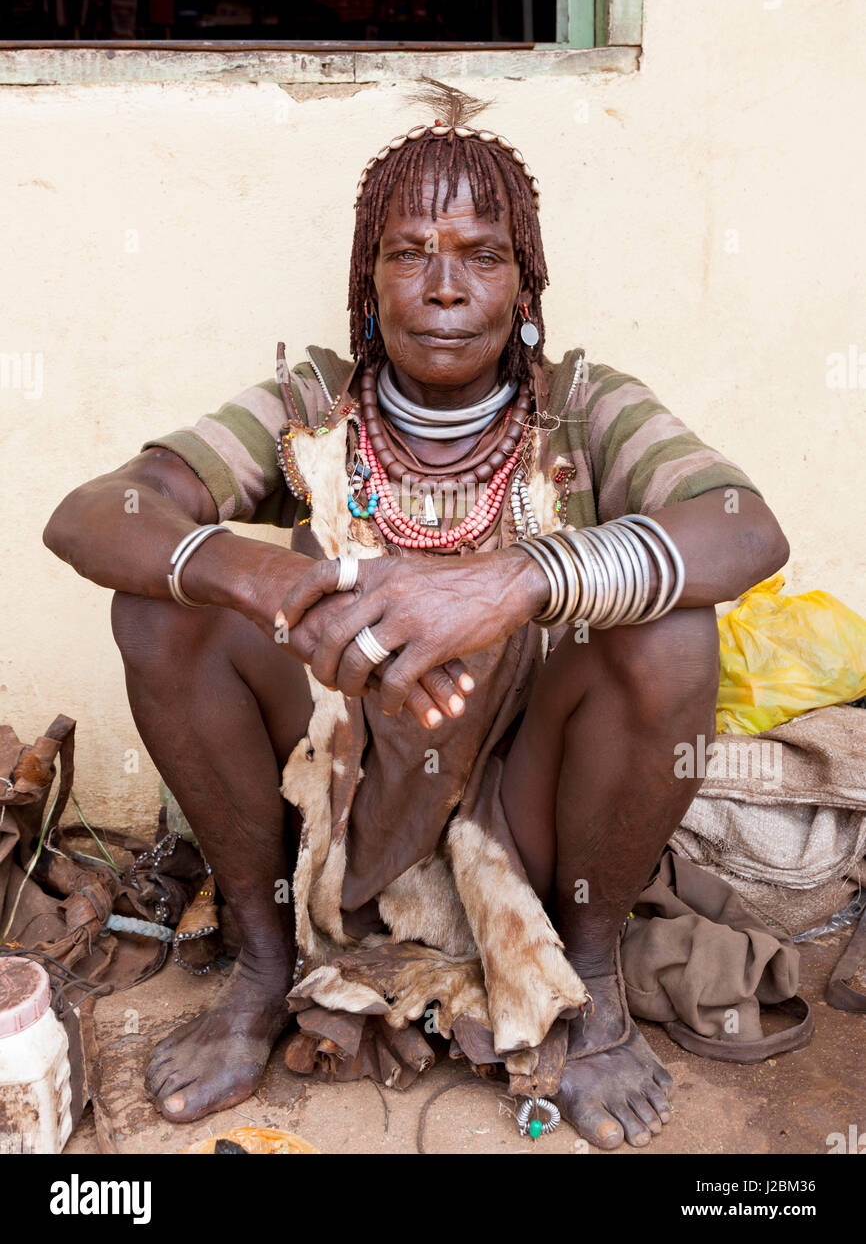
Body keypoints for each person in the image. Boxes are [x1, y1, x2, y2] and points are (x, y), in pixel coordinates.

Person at [43, 82, 789, 1150]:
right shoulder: (313, 406)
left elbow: (745, 528)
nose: (444, 287)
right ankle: (264, 964)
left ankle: (586, 978)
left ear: (524, 287)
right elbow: (93, 514)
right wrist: (262, 580)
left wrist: (515, 579)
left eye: (483, 255)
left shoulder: (583, 409)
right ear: (368, 283)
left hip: (519, 813)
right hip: (334, 802)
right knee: (162, 612)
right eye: (409, 254)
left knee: (672, 629)